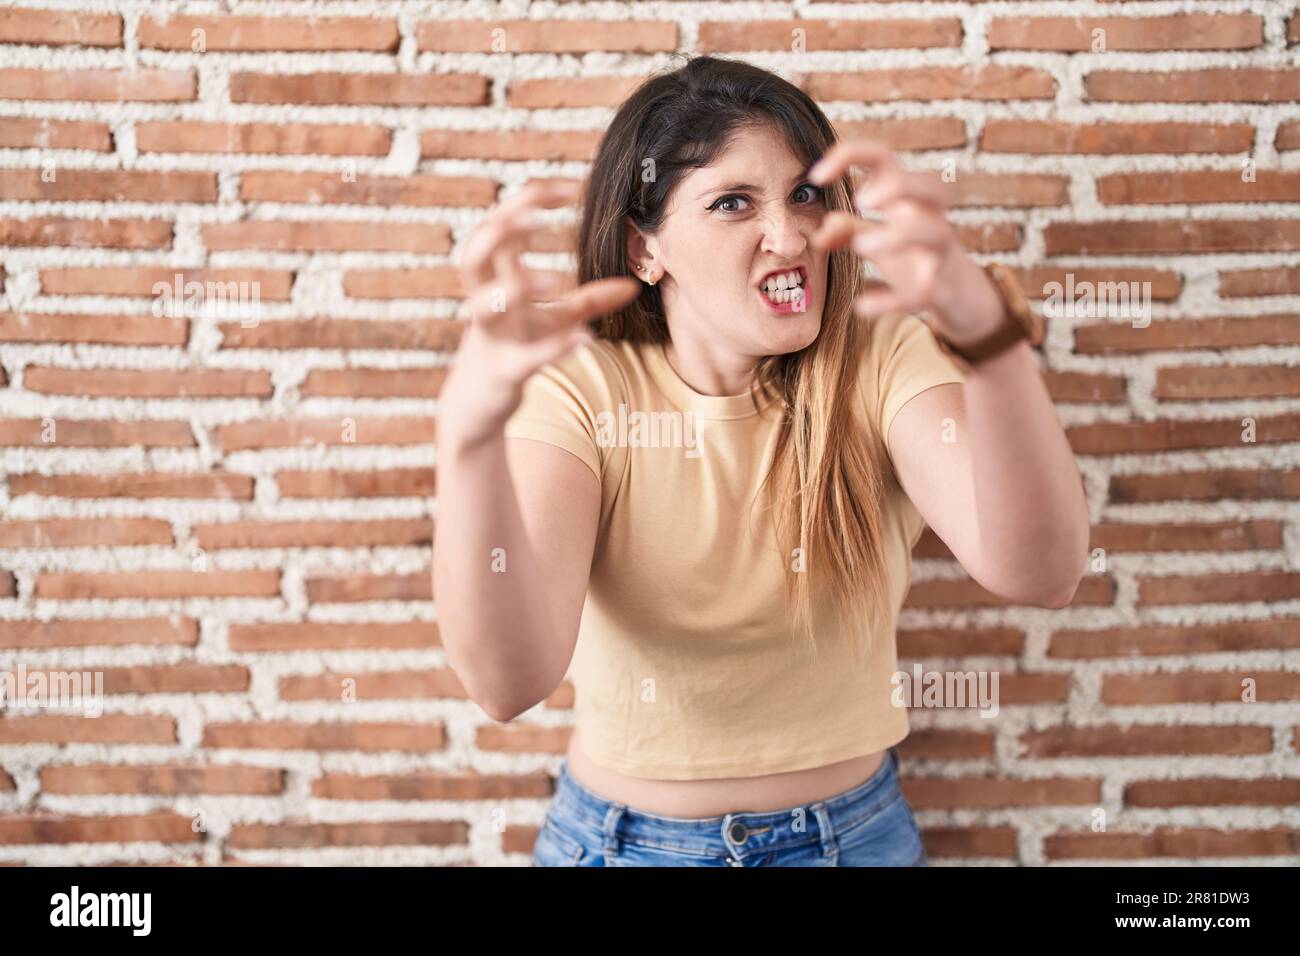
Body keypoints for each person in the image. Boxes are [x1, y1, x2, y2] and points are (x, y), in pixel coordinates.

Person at [433, 55, 1090, 867]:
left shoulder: (884, 356)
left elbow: (1043, 573)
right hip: (624, 846)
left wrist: (991, 344)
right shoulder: (584, 387)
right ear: (646, 251)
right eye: (733, 203)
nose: (789, 237)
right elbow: (508, 685)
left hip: (853, 840)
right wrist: (465, 441)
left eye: (805, 194)